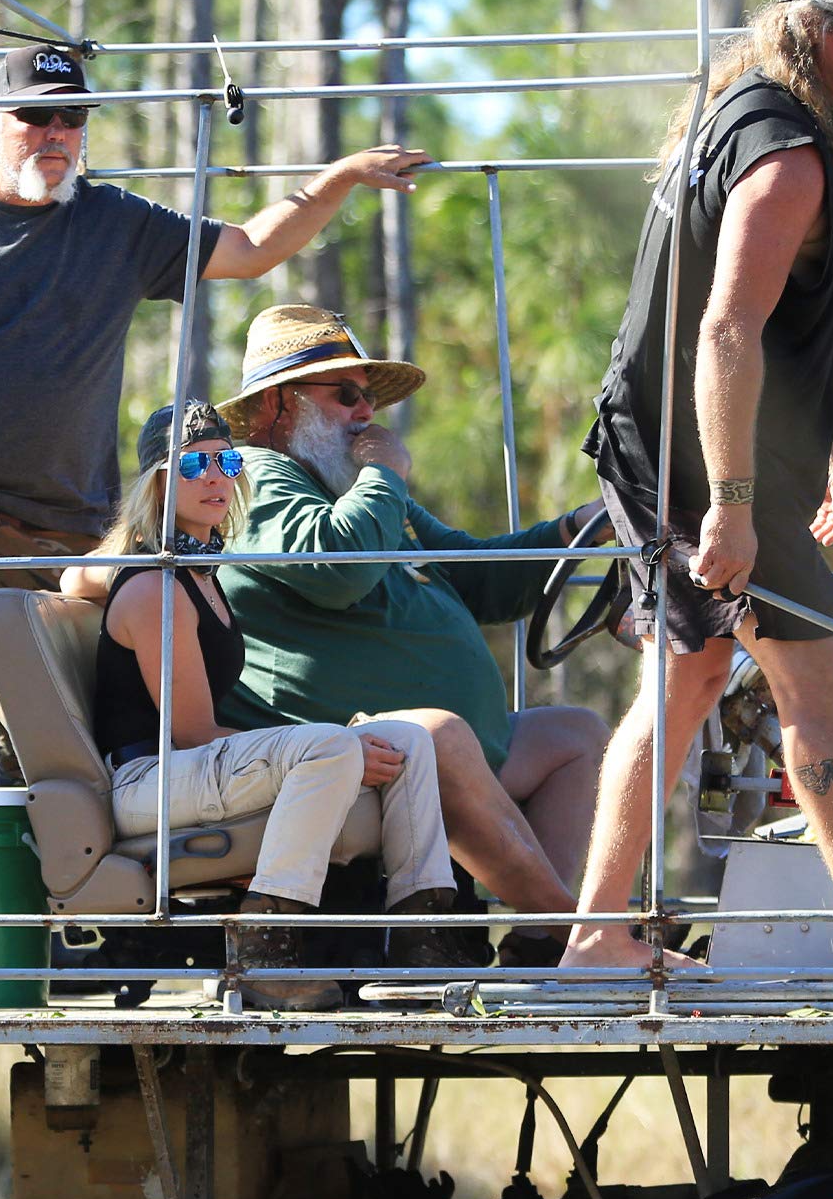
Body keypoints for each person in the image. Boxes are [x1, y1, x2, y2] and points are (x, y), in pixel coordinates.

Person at [0, 43, 431, 859]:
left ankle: (34, 856)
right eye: (36, 116)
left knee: (41, 700)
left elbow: (251, 250)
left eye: (73, 118)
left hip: (70, 515)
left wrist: (338, 178)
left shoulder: (116, 222)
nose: (56, 132)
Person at [576, 0, 833, 969]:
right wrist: (735, 506)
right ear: (815, 27)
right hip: (697, 464)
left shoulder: (737, 112)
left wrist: (807, 448)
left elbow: (733, 322)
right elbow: (726, 331)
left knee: (688, 679)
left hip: (669, 442)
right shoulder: (785, 155)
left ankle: (597, 937)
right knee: (816, 688)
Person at [196, 304, 609, 954]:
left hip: (447, 751)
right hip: (340, 750)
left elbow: (475, 578)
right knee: (436, 734)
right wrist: (384, 474)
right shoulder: (252, 474)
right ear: (278, 403)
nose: (367, 412)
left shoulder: (359, 487)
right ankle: (587, 935)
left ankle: (540, 947)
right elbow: (336, 570)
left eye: (370, 396)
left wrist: (582, 526)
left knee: (576, 736)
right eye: (346, 394)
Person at [86, 402, 460, 1009]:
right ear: (158, 482)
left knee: (409, 740)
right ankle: (264, 949)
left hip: (190, 771)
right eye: (194, 465)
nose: (216, 477)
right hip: (146, 781)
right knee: (332, 744)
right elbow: (193, 731)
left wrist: (336, 745)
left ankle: (423, 944)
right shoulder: (157, 586)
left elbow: (80, 579)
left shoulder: (201, 573)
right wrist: (333, 746)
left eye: (227, 462)